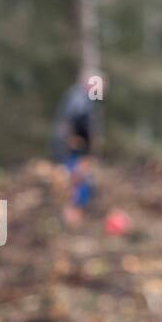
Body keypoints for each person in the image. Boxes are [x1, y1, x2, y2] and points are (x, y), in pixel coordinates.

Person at [51, 73, 98, 225]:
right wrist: (77, 144)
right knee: (76, 180)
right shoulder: (78, 99)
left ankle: (75, 215)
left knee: (80, 179)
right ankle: (71, 215)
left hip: (75, 149)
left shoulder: (81, 98)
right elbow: (73, 122)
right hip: (73, 150)